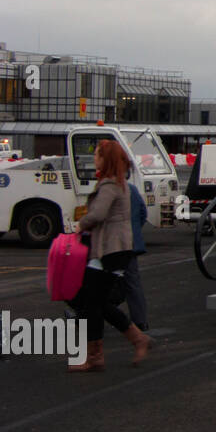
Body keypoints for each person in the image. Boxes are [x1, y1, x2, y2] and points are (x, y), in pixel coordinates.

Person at [68, 140, 152, 371]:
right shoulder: (120, 183)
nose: (94, 157)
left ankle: (96, 356)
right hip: (114, 249)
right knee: (97, 302)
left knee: (90, 303)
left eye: (97, 154)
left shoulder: (109, 184)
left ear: (106, 159)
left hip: (109, 250)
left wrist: (80, 224)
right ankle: (136, 339)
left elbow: (98, 213)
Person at [123, 181, 150, 330]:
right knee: (133, 283)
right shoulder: (132, 188)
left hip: (115, 244)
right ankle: (140, 320)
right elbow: (142, 213)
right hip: (131, 244)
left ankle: (84, 315)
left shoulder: (109, 188)